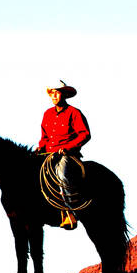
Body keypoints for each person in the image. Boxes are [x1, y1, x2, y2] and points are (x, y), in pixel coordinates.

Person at [36, 80, 91, 229]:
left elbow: (84, 134)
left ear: (64, 94)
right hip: (48, 154)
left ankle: (69, 212)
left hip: (67, 154)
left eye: (57, 92)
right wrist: (40, 147)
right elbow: (44, 137)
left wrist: (68, 147)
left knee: (62, 174)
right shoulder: (47, 114)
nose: (53, 95)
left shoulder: (74, 113)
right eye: (51, 92)